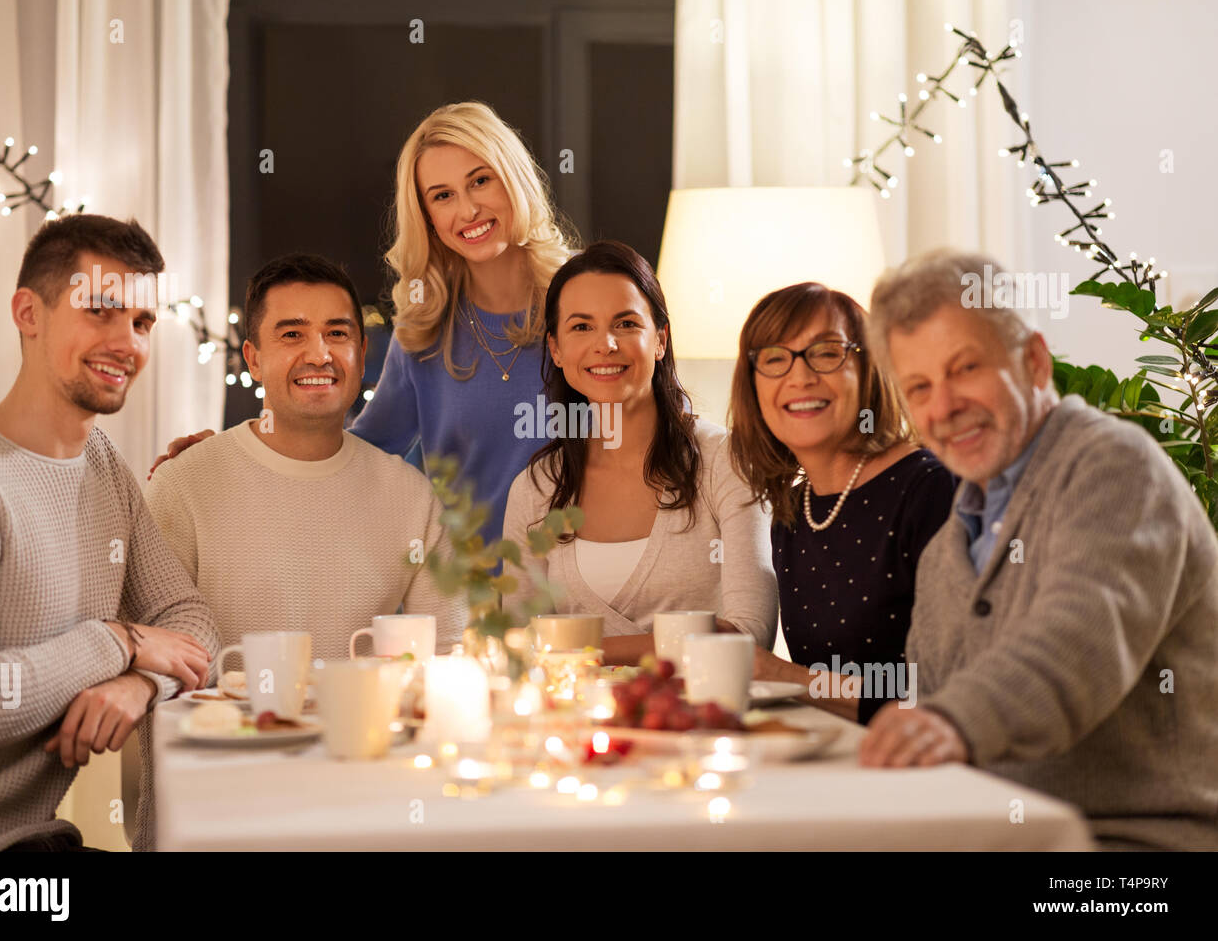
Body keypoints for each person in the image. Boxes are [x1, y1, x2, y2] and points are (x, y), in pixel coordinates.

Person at [860, 247, 1218, 851]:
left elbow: (1078, 639)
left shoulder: (1114, 467)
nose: (943, 407)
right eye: (919, 387)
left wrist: (952, 722)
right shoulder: (948, 544)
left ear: (1033, 360)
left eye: (966, 368)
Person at [139, 252, 467, 848]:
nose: (319, 355)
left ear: (362, 357)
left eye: (337, 335)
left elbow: (449, 656)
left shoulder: (411, 496)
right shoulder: (185, 484)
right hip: (218, 803)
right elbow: (154, 670)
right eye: (292, 335)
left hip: (368, 801)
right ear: (255, 359)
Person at [0, 214, 217, 851]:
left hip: (39, 845)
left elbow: (190, 624)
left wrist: (140, 682)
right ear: (29, 312)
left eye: (141, 323)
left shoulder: (101, 465)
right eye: (101, 312)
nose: (128, 343)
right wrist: (117, 641)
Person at [150, 101, 576, 546]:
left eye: (480, 181)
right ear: (427, 217)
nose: (468, 210)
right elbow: (358, 451)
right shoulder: (424, 332)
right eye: (443, 195)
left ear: (513, 178)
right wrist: (227, 457)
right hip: (470, 598)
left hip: (582, 586)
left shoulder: (585, 304)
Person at [502, 241, 777, 662]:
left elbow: (748, 636)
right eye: (581, 327)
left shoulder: (727, 460)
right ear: (556, 349)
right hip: (575, 722)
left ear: (661, 339)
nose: (605, 344)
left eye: (626, 324)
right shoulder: (536, 488)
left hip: (704, 720)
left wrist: (578, 649)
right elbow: (520, 651)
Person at [728, 283, 955, 723]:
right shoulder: (795, 510)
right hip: (840, 759)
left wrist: (783, 675)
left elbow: (947, 694)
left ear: (869, 369)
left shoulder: (931, 491)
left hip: (934, 771)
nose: (800, 377)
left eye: (827, 353)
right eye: (775, 358)